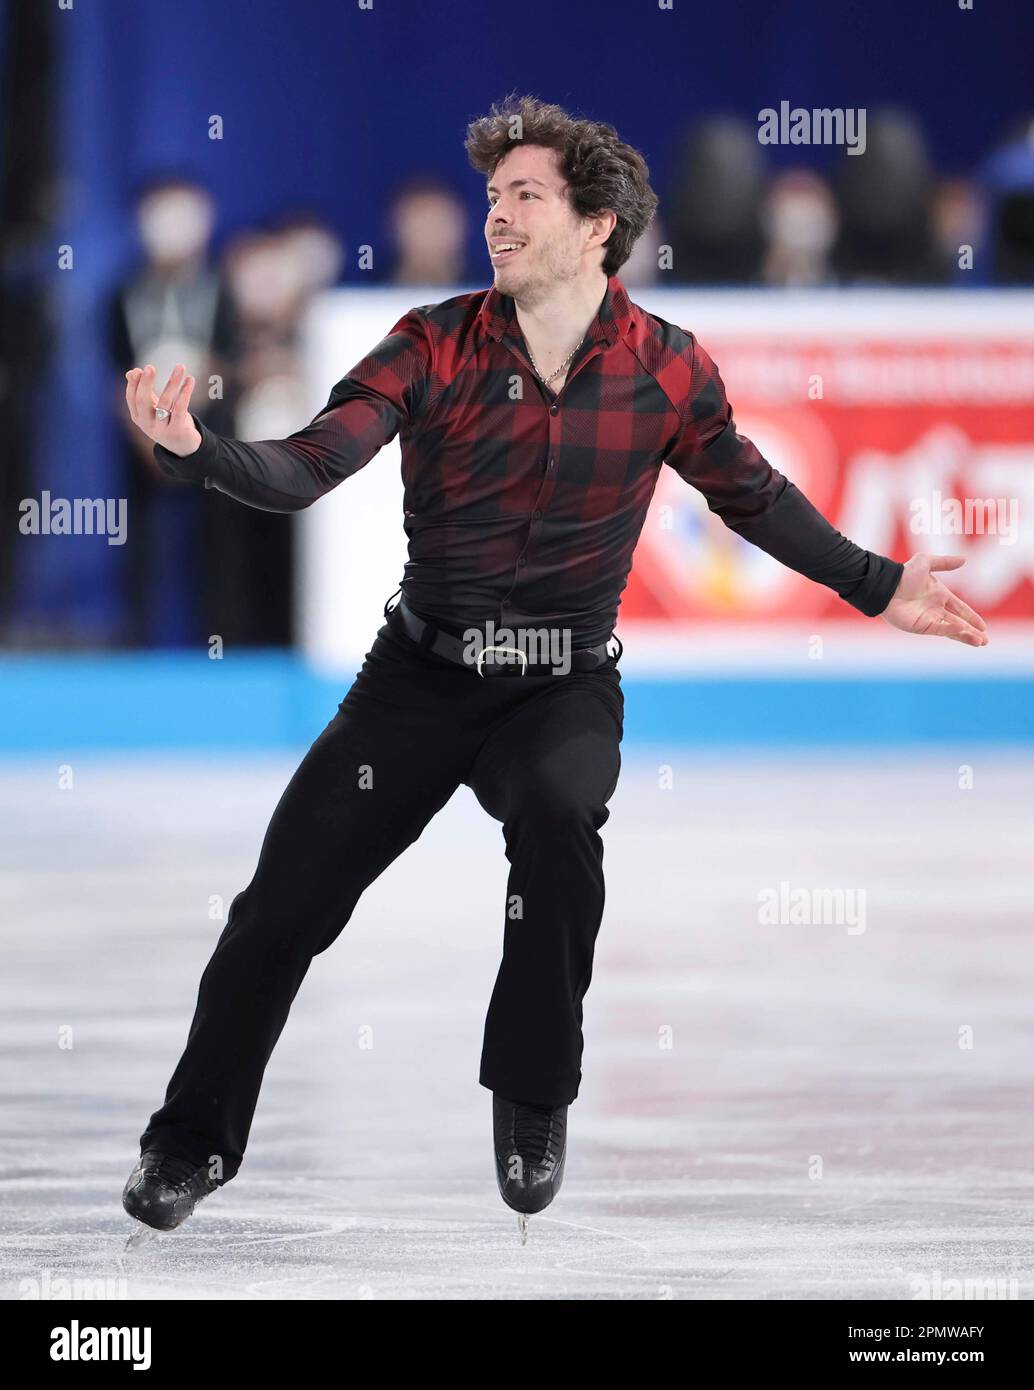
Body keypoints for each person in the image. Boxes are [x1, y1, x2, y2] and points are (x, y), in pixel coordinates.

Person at [119, 95, 988, 1241]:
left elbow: (755, 497)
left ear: (596, 226)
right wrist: (198, 452)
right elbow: (308, 465)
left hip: (559, 682)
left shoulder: (666, 370)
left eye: (524, 195)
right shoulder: (429, 342)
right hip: (417, 680)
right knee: (279, 905)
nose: (497, 216)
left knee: (560, 821)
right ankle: (188, 1144)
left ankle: (531, 1097)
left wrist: (880, 585)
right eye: (492, 197)